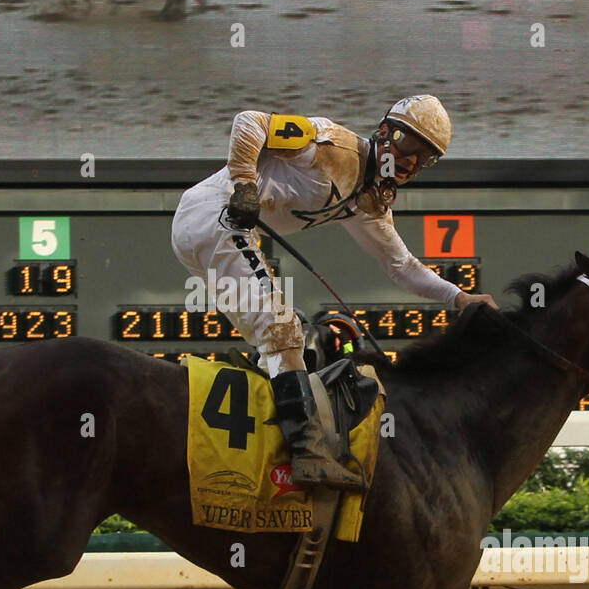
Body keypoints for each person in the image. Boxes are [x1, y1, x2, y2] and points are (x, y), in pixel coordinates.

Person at [171, 95, 496, 490]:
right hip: (216, 216)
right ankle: (308, 454)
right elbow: (250, 120)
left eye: (425, 157)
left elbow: (403, 267)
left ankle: (262, 438)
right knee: (283, 330)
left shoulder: (369, 202)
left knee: (286, 343)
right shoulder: (331, 145)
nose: (412, 161)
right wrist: (244, 183)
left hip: (201, 231)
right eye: (409, 145)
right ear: (384, 132)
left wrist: (460, 299)